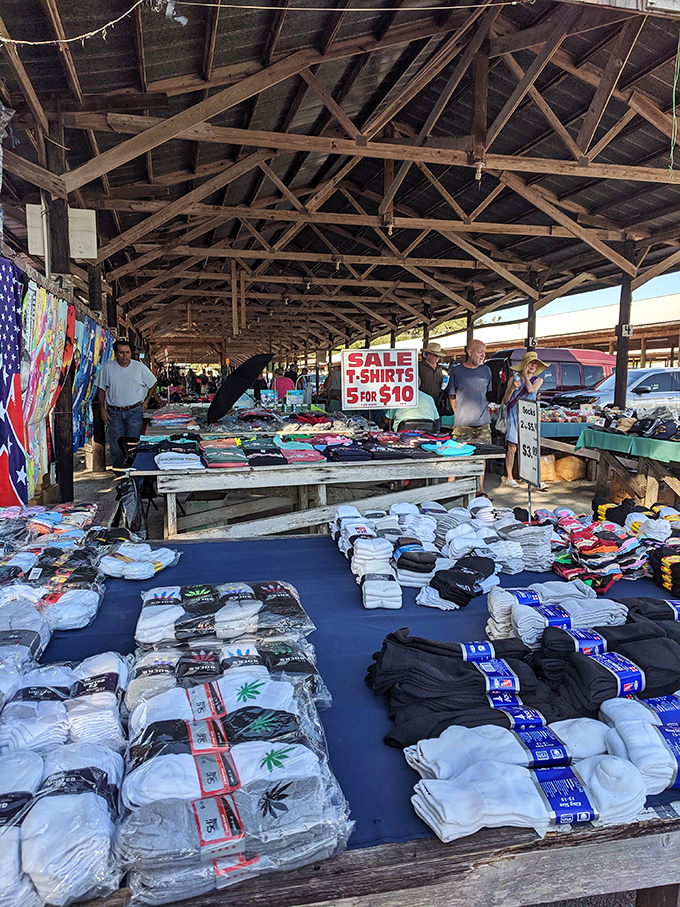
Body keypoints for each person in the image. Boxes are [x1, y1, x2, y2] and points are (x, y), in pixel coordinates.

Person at [96, 339, 157, 470]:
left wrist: (146, 401)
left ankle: (134, 473)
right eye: (121, 353)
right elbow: (101, 389)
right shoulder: (107, 368)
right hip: (114, 412)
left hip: (134, 411)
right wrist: (102, 408)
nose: (125, 356)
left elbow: (153, 383)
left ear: (131, 353)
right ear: (116, 353)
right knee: (116, 447)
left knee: (133, 444)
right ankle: (120, 476)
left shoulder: (139, 367)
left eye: (127, 352)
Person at [447, 339, 492, 491]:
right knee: (457, 453)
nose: (483, 355)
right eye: (480, 352)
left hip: (483, 421)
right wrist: (459, 414)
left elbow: (486, 394)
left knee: (482, 456)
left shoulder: (486, 370)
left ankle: (480, 489)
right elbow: (451, 396)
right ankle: (451, 486)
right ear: (470, 352)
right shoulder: (457, 371)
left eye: (484, 352)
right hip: (462, 423)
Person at [502, 350, 547, 488]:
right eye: (529, 363)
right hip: (514, 415)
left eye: (534, 363)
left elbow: (531, 390)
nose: (532, 365)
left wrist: (525, 377)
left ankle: (532, 477)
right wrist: (512, 388)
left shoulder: (538, 380)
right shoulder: (513, 380)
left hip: (528, 417)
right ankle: (509, 477)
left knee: (530, 446)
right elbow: (505, 400)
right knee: (512, 447)